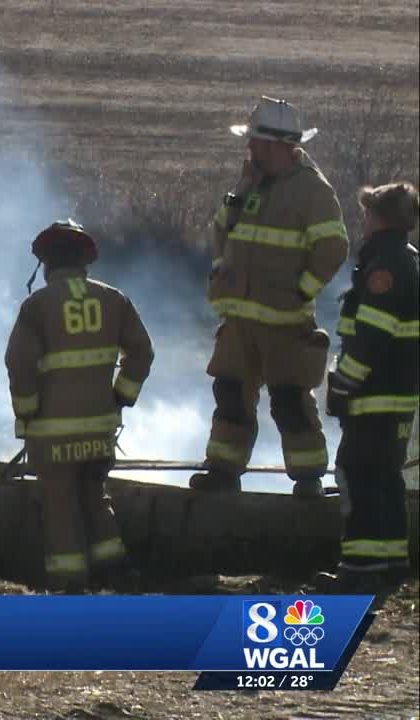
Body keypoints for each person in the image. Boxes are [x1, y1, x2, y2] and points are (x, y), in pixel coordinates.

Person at [191, 96, 349, 497]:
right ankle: (223, 471)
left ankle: (309, 479)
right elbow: (223, 231)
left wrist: (301, 292)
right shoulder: (252, 184)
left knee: (290, 402)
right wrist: (241, 190)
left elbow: (333, 249)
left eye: (255, 142)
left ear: (280, 146)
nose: (248, 150)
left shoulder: (312, 190)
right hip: (240, 321)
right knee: (229, 395)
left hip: (285, 324)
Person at [5, 220, 154, 592]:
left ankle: (69, 583)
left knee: (60, 505)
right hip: (100, 430)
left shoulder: (37, 306)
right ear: (84, 261)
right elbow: (142, 352)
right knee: (93, 495)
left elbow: (19, 364)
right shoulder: (114, 299)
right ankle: (114, 569)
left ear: (47, 263)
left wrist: (26, 413)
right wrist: (122, 395)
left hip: (53, 433)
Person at [325, 182, 419, 590]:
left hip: (374, 394)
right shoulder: (405, 260)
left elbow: (372, 337)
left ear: (380, 218)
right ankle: (391, 564)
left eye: (367, 213)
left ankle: (360, 570)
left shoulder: (385, 267)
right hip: (397, 394)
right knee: (386, 477)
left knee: (357, 473)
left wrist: (344, 384)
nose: (362, 220)